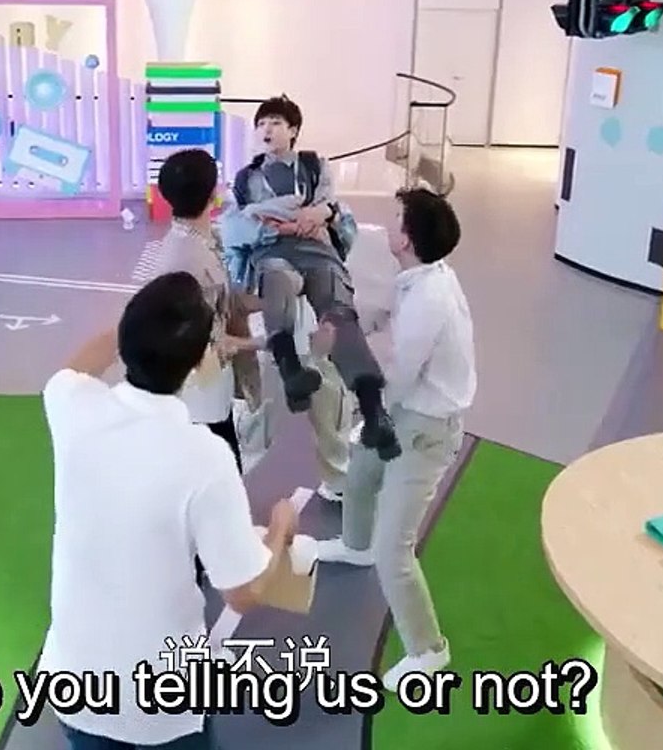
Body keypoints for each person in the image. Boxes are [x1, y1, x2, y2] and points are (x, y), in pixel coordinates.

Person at [40, 273, 299, 749]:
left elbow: (77, 367)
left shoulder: (73, 406)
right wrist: (280, 528)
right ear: (199, 362)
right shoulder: (204, 455)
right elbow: (243, 592)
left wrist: (139, 326)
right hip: (162, 696)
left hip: (74, 679)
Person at [316, 187, 473, 691]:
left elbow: (399, 375)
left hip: (425, 429)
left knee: (395, 551)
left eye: (396, 218)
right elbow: (387, 311)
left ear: (406, 240)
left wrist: (356, 381)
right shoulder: (422, 276)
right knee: (360, 473)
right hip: (407, 410)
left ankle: (429, 650)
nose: (389, 223)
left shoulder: (429, 299)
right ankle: (353, 545)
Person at [222, 95, 398, 461]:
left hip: (319, 253)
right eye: (261, 123)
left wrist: (318, 213)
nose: (267, 130)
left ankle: (373, 409)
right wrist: (294, 218)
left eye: (275, 122)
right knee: (277, 280)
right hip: (273, 252)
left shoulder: (314, 166)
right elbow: (242, 222)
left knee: (340, 314)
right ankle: (290, 369)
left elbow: (329, 207)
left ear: (293, 130)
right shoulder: (246, 178)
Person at [148, 148, 262, 468]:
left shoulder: (199, 241)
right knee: (221, 467)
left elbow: (227, 302)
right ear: (214, 193)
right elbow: (208, 343)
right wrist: (265, 342)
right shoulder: (187, 260)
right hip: (198, 391)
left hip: (208, 389)